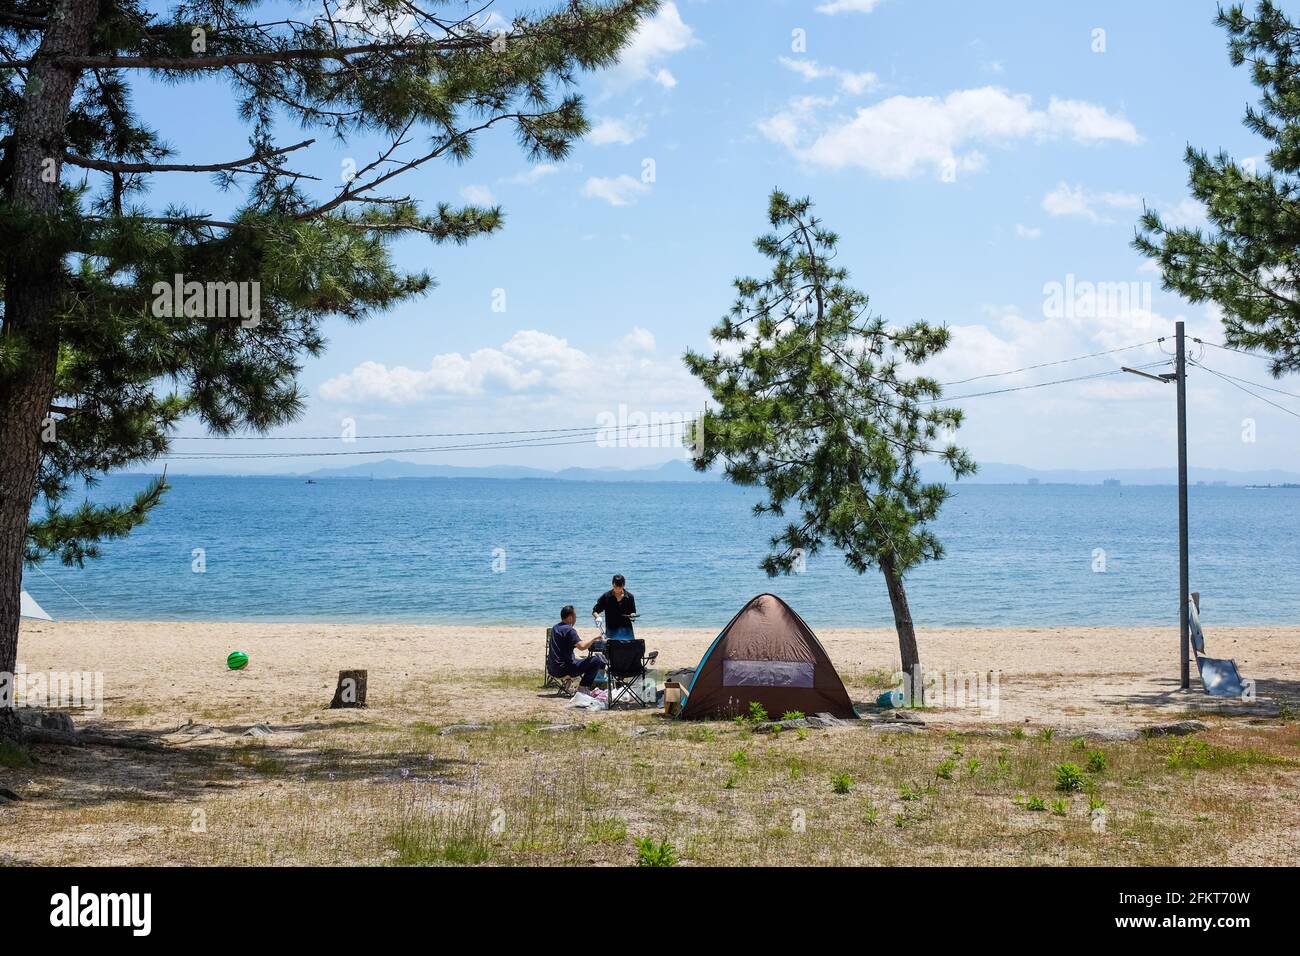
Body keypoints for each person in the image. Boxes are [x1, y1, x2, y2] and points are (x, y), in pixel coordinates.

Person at [547, 605, 604, 689]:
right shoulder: (569, 630)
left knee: (578, 659)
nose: (576, 618)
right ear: (570, 617)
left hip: (552, 668)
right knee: (596, 660)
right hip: (564, 670)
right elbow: (582, 647)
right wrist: (594, 638)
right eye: (575, 616)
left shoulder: (555, 628)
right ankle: (583, 688)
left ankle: (570, 681)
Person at [593, 574, 637, 641]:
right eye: (615, 587)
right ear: (612, 584)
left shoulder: (630, 597)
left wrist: (633, 615)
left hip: (627, 630)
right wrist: (598, 617)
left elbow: (633, 612)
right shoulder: (606, 596)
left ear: (623, 585)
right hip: (611, 630)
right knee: (612, 650)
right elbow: (595, 611)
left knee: (629, 650)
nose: (617, 589)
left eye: (620, 587)